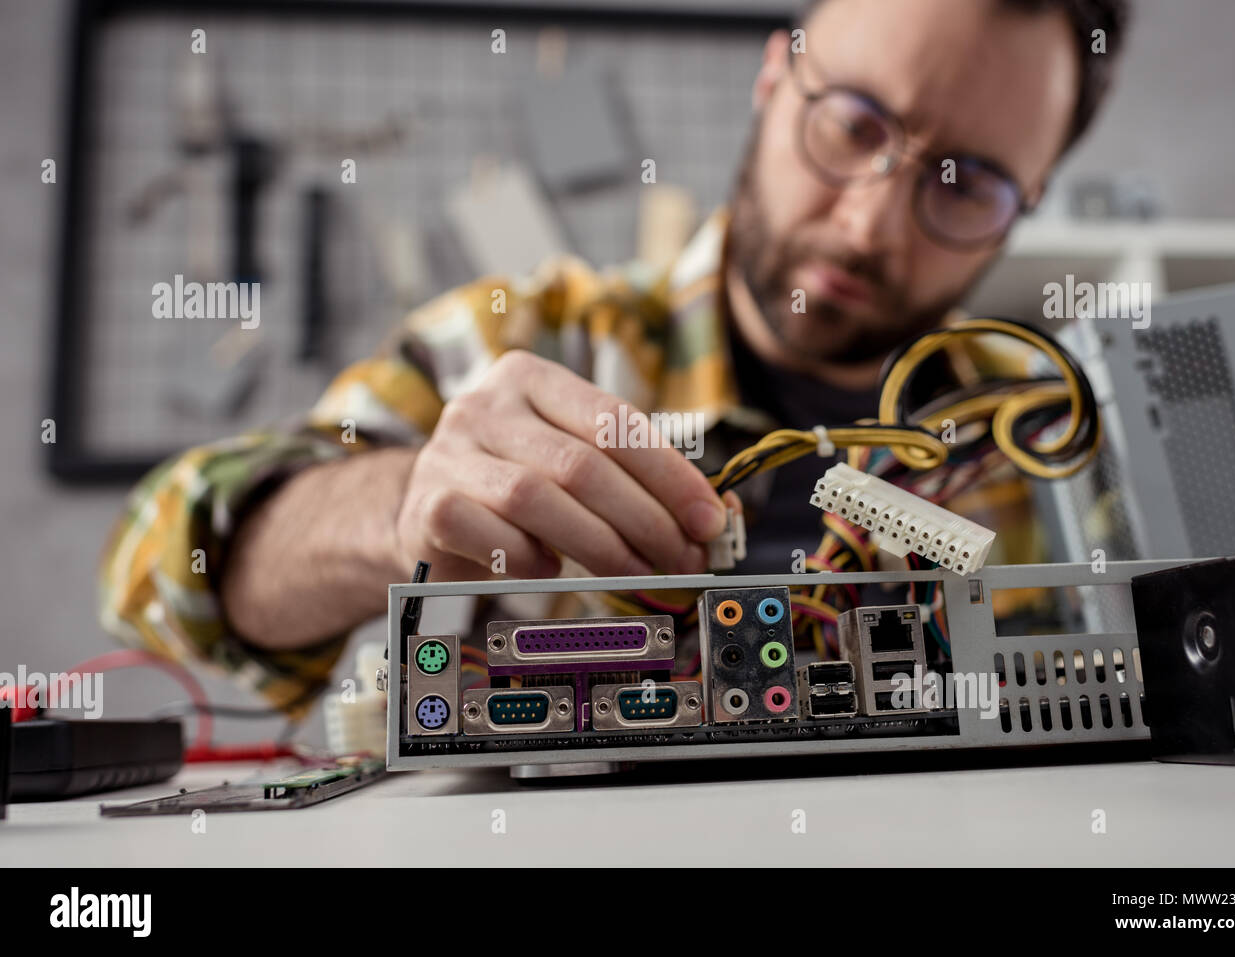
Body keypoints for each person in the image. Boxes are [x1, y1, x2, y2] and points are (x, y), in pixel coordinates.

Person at [99, 0, 1129, 712]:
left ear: (1026, 207)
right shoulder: (520, 340)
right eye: (856, 126)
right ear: (774, 80)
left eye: (966, 185)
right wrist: (397, 504)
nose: (869, 223)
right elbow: (155, 571)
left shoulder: (1059, 441)